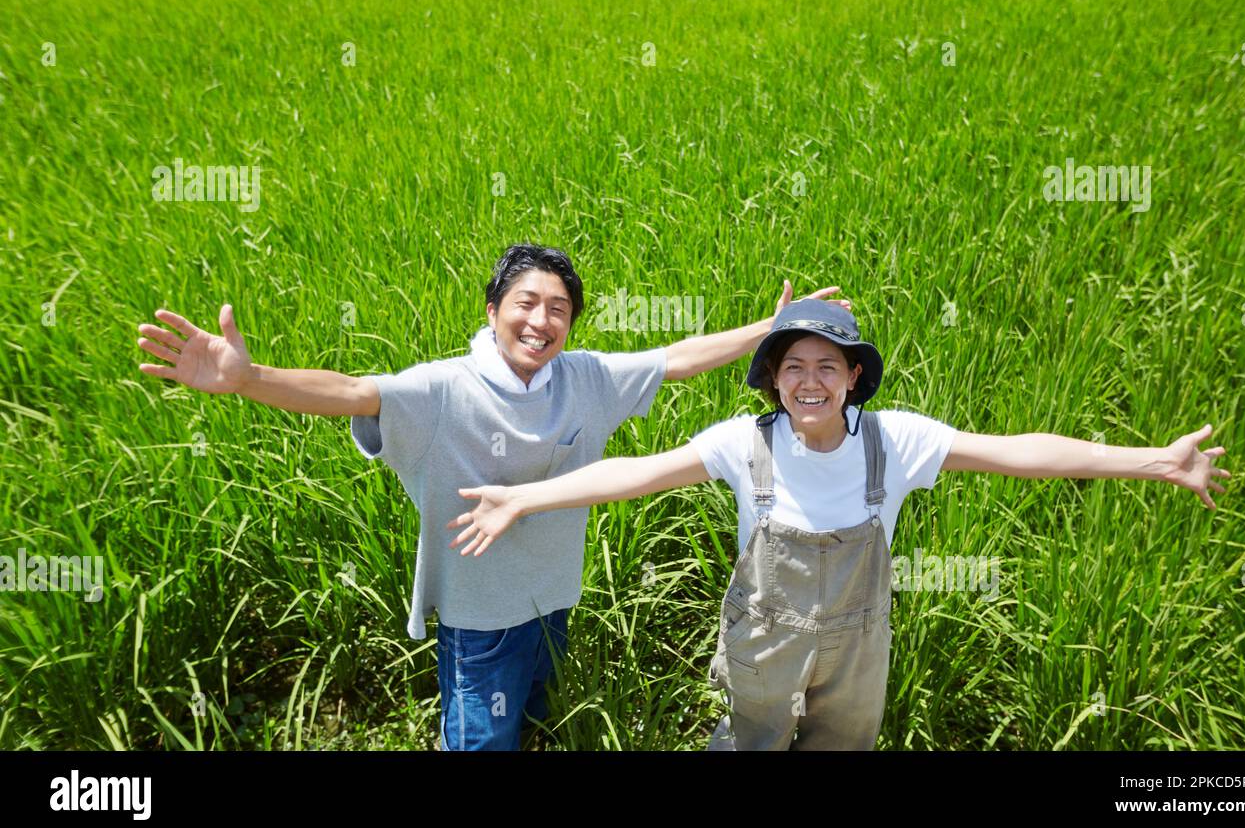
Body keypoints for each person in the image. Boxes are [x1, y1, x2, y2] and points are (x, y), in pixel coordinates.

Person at [135, 243, 851, 750]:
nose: (541, 322)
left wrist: (772, 329)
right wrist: (247, 378)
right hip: (478, 623)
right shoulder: (441, 390)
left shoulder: (586, 378)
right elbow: (349, 392)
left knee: (538, 715)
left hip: (554, 599)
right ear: (491, 308)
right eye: (526, 303)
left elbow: (676, 360)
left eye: (559, 310)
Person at [447, 299, 1231, 749]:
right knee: (751, 738)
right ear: (775, 382)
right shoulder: (741, 444)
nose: (809, 381)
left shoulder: (898, 441)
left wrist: (1156, 460)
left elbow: (1023, 452)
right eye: (793, 367)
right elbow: (632, 475)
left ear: (854, 379)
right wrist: (523, 499)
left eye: (828, 366)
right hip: (763, 639)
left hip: (859, 648)